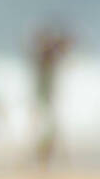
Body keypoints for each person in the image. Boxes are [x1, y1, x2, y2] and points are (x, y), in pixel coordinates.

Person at [30, 24, 73, 167]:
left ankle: (44, 155)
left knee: (46, 124)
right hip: (44, 94)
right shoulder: (46, 55)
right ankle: (44, 154)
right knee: (47, 124)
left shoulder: (45, 55)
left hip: (45, 94)